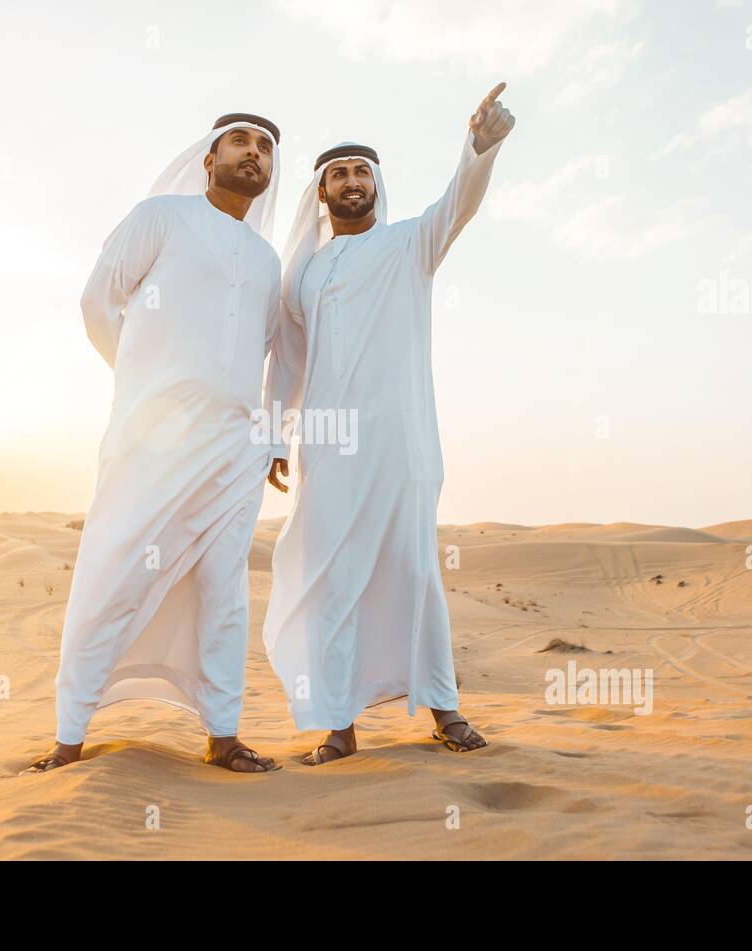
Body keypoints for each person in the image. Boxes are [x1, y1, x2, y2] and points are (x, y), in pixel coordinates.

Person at [24, 113, 288, 774]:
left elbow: (265, 353)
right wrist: (143, 386)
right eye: (240, 142)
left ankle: (223, 733)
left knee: (223, 590)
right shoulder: (161, 216)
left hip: (234, 449)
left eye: (264, 148)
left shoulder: (265, 259)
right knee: (111, 571)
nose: (253, 154)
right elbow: (96, 301)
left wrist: (269, 437)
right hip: (152, 441)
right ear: (209, 157)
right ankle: (70, 733)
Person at [263, 85, 514, 764]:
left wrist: (479, 145)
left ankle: (446, 708)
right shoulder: (305, 276)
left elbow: (457, 203)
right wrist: (271, 437)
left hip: (401, 443)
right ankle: (339, 724)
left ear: (376, 185)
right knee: (335, 577)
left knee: (414, 569)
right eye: (338, 173)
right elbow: (287, 359)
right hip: (326, 450)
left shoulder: (411, 245)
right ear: (323, 192)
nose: (351, 181)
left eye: (361, 171)